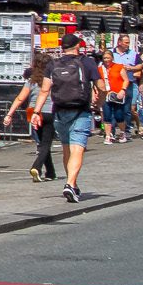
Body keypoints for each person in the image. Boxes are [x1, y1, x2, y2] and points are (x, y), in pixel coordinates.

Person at [47, 37, 102, 202]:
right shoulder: (88, 62)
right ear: (78, 46)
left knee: (67, 150)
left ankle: (73, 184)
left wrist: (36, 111)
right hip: (81, 110)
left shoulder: (52, 64)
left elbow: (44, 89)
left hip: (59, 111)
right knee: (77, 149)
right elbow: (101, 86)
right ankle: (70, 184)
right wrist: (99, 102)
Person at [4, 55, 56, 182]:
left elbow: (20, 98)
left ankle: (50, 172)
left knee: (42, 142)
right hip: (48, 110)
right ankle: (36, 167)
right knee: (46, 143)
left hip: (32, 112)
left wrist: (9, 114)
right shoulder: (53, 79)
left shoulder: (31, 81)